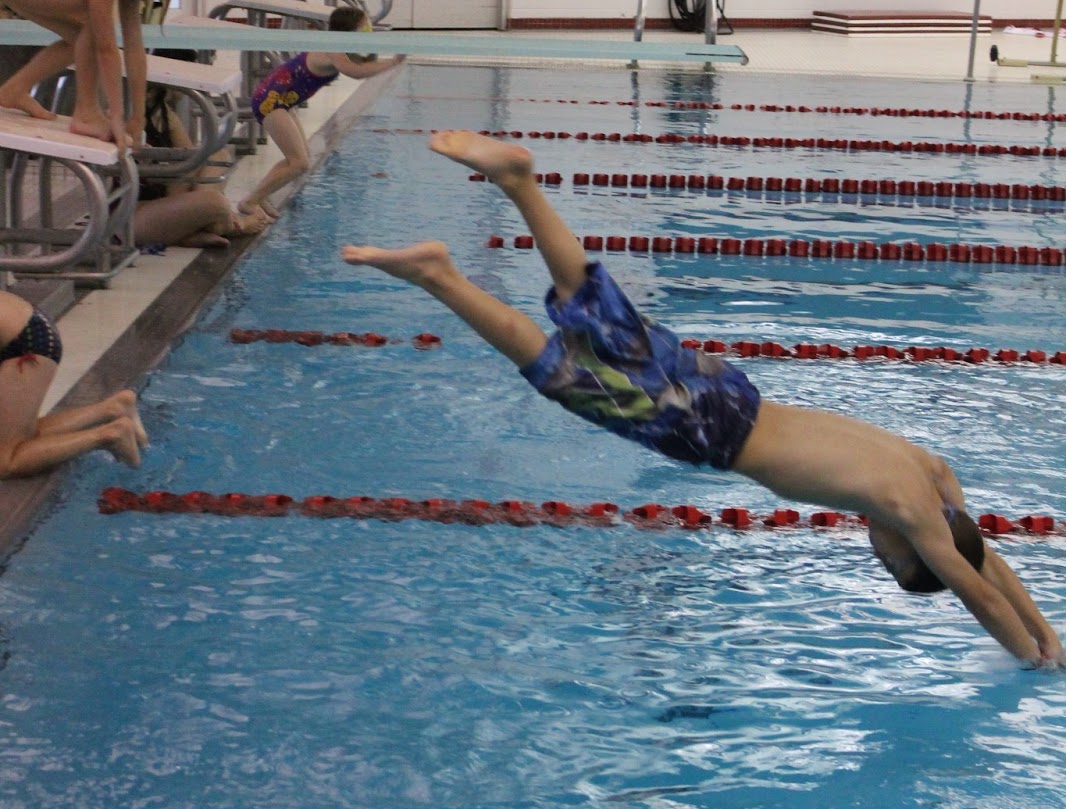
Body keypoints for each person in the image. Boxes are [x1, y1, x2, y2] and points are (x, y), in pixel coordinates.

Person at [341, 131, 1064, 669]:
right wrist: (1030, 660)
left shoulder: (931, 478)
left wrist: (1050, 632)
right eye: (894, 563)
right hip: (713, 434)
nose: (876, 552)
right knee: (562, 375)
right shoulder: (907, 517)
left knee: (602, 314)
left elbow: (985, 558)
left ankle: (522, 186)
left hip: (732, 391)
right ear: (919, 551)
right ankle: (442, 277)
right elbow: (978, 589)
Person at [0, 0, 199, 148]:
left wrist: (138, 117)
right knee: (91, 19)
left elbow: (135, 49)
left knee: (79, 39)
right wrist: (116, 115)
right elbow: (107, 49)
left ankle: (13, 90)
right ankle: (86, 112)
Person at [239, 6, 404, 221]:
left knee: (298, 160)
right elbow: (356, 72)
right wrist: (393, 62)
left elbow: (364, 63)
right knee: (299, 163)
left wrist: (389, 57)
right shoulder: (334, 48)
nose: (369, 29)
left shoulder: (341, 46)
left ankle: (259, 197)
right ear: (353, 29)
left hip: (282, 101)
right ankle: (249, 202)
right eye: (366, 26)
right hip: (270, 101)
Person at [0, 289, 144, 476]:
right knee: (17, 433)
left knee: (4, 461)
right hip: (23, 325)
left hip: (24, 340)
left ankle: (110, 435)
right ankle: (113, 408)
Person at [134, 78, 268, 249]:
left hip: (164, 202)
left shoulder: (161, 112)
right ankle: (227, 226)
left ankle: (194, 229)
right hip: (132, 218)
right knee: (216, 203)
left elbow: (191, 161)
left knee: (218, 156)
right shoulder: (120, 115)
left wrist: (181, 191)